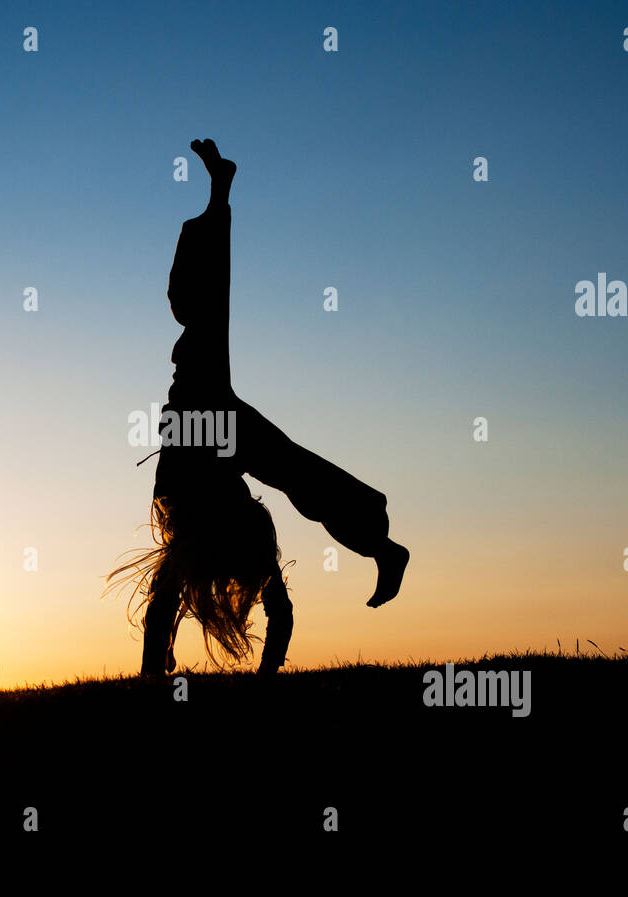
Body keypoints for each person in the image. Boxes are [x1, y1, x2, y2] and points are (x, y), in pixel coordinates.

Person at [110, 139, 408, 677]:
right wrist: (264, 680)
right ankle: (381, 546)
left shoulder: (200, 547)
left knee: (292, 462)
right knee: (297, 468)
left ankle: (381, 545)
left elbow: (163, 614)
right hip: (209, 424)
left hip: (202, 419)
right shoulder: (234, 545)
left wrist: (155, 675)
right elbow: (280, 613)